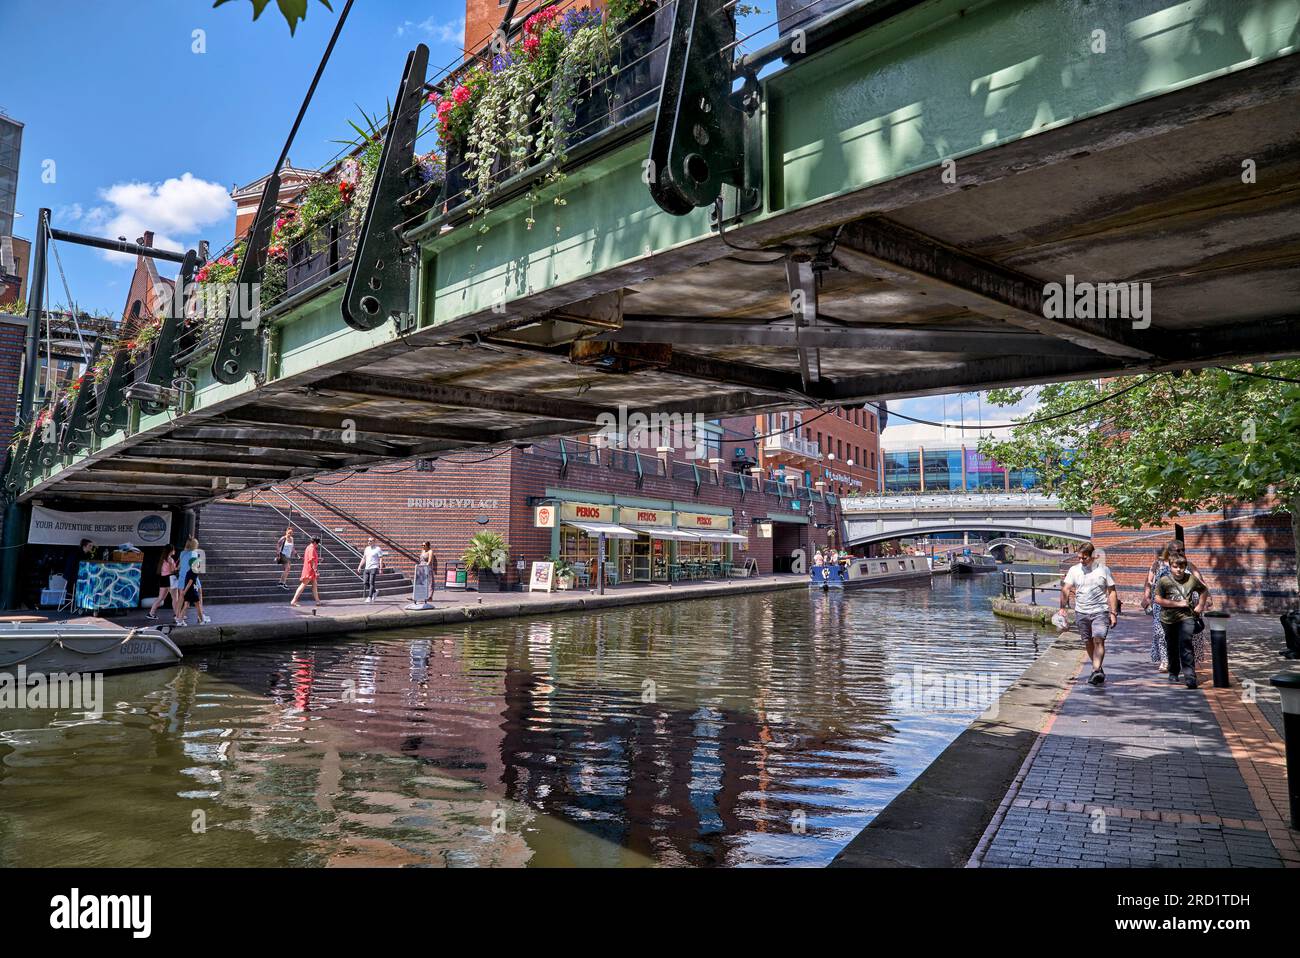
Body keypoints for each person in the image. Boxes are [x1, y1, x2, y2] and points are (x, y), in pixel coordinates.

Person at [1061, 542, 1118, 685]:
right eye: (1079, 557)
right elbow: (1066, 589)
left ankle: (1095, 670)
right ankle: (1098, 669)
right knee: (1087, 641)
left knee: (1098, 639)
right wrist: (1062, 608)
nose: (1081, 561)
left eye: (1084, 558)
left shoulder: (1104, 570)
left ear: (1093, 556)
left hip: (1100, 611)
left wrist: (1113, 613)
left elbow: (1111, 592)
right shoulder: (1074, 570)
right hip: (1081, 611)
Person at [1140, 540, 1202, 672]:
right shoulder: (1158, 564)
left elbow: (1200, 581)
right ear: (1169, 551)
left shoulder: (1189, 565)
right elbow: (1149, 582)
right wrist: (1146, 596)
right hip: (1162, 604)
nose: (1181, 552)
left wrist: (1206, 598)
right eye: (1177, 550)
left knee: (1187, 632)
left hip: (1185, 605)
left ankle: (1186, 660)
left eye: (1182, 550)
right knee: (1161, 633)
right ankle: (1165, 660)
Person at [1154, 555, 1212, 688]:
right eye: (1175, 567)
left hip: (1187, 617)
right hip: (1168, 619)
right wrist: (1178, 604)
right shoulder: (1164, 581)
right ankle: (1173, 671)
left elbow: (1203, 590)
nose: (1179, 570)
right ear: (1170, 567)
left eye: (1181, 567)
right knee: (1172, 645)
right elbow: (1157, 599)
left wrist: (1200, 606)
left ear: (1185, 567)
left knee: (1186, 645)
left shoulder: (1191, 579)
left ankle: (1190, 676)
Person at [174, 537, 212, 626]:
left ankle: (177, 616)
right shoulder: (194, 553)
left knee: (181, 598)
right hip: (191, 577)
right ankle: (200, 616)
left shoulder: (182, 553)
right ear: (195, 545)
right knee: (199, 594)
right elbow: (195, 567)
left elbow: (179, 566)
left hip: (182, 577)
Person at [146, 545, 179, 620]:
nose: (175, 551)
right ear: (170, 551)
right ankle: (177, 615)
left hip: (163, 578)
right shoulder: (170, 559)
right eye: (173, 549)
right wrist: (177, 569)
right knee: (175, 598)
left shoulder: (163, 559)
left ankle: (151, 613)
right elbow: (171, 571)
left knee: (161, 597)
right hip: (169, 579)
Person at [290, 536, 322, 608]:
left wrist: (318, 559)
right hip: (309, 570)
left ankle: (318, 601)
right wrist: (316, 571)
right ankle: (294, 600)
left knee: (314, 585)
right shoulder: (311, 549)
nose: (317, 545)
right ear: (314, 542)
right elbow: (312, 560)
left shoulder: (309, 547)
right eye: (317, 543)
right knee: (303, 585)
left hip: (310, 570)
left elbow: (311, 558)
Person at [357, 536, 385, 603]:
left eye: (371, 541)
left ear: (374, 542)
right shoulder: (367, 549)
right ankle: (375, 591)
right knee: (365, 582)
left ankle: (369, 597)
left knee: (371, 582)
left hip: (374, 567)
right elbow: (364, 558)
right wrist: (360, 566)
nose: (369, 542)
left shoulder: (378, 549)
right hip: (367, 568)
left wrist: (380, 568)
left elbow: (381, 559)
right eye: (368, 541)